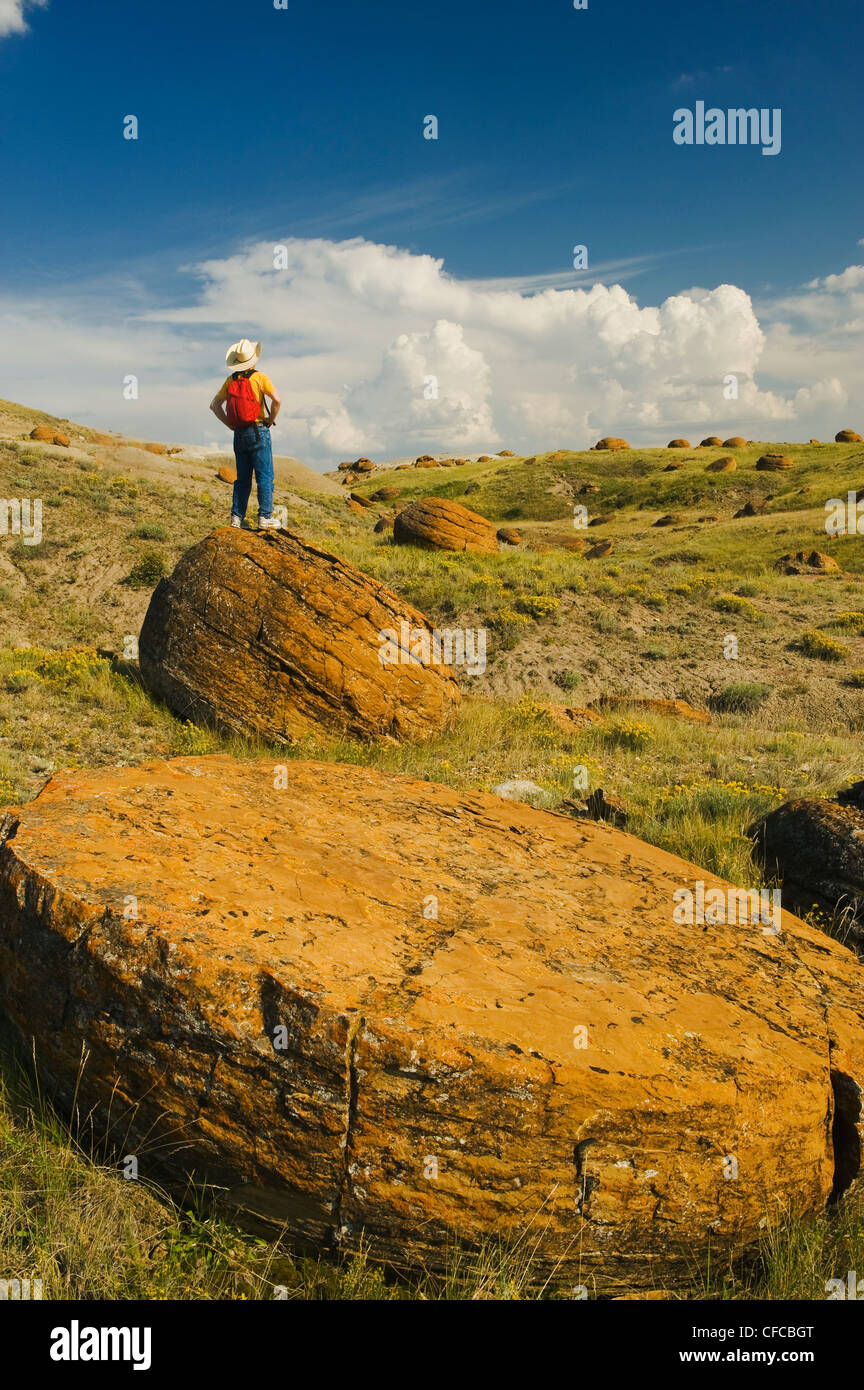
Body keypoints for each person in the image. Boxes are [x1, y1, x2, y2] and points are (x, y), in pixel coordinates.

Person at [209, 339, 282, 529]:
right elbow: (277, 400)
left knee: (242, 479)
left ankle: (236, 518)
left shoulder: (231, 380)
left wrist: (229, 424)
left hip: (239, 434)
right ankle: (265, 518)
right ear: (253, 359)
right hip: (258, 431)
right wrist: (269, 418)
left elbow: (214, 405)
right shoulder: (260, 378)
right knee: (264, 476)